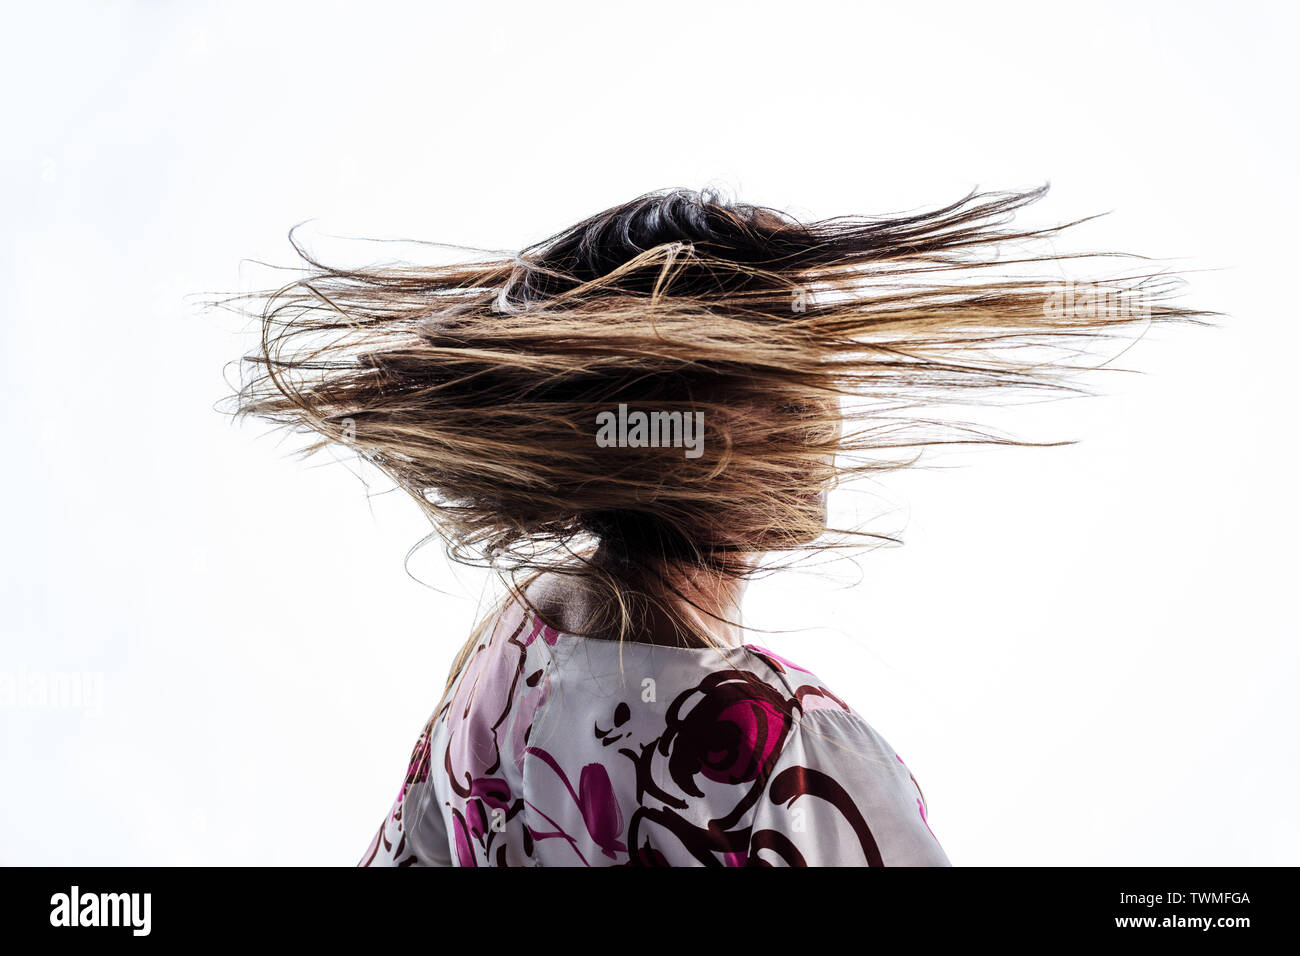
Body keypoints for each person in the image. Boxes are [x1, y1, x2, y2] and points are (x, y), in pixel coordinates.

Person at [231, 186, 1204, 865]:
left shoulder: (512, 649)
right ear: (674, 406)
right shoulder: (779, 747)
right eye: (777, 357)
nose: (821, 393)